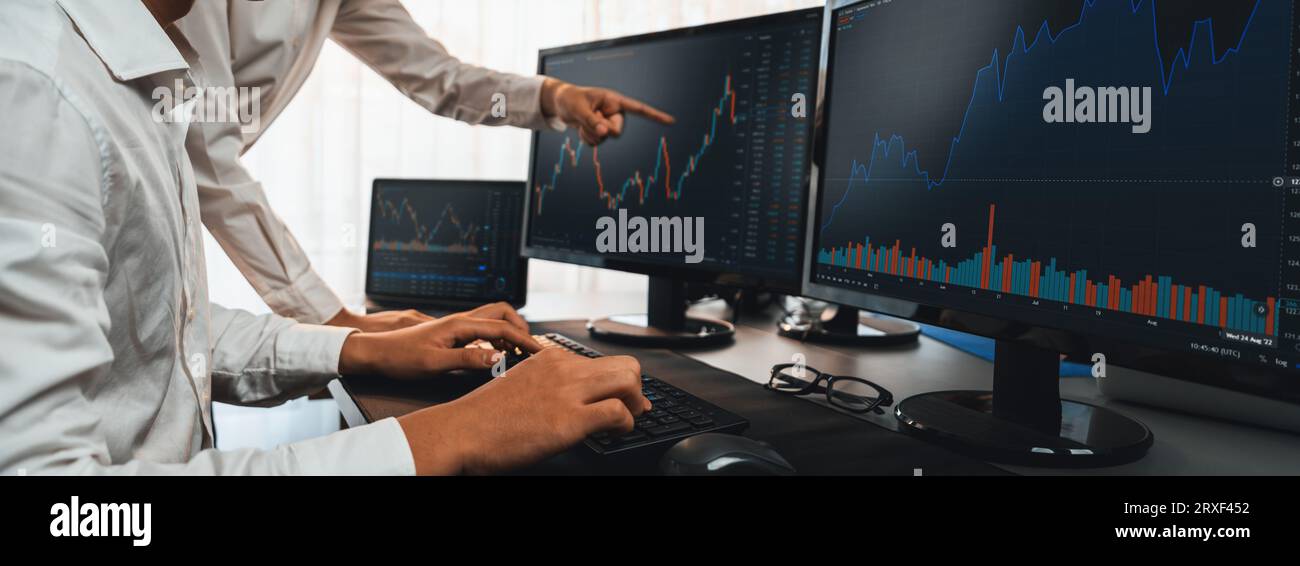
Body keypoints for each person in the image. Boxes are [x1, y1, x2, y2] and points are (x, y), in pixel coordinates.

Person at [0, 0, 649, 476]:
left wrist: (356, 349)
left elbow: (157, 327)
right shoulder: (39, 90)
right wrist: (453, 435)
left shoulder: (132, 56)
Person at [176, 0, 675, 331]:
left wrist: (554, 97)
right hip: (142, 188)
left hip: (177, 197)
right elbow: (205, 152)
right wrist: (335, 324)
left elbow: (440, 80)